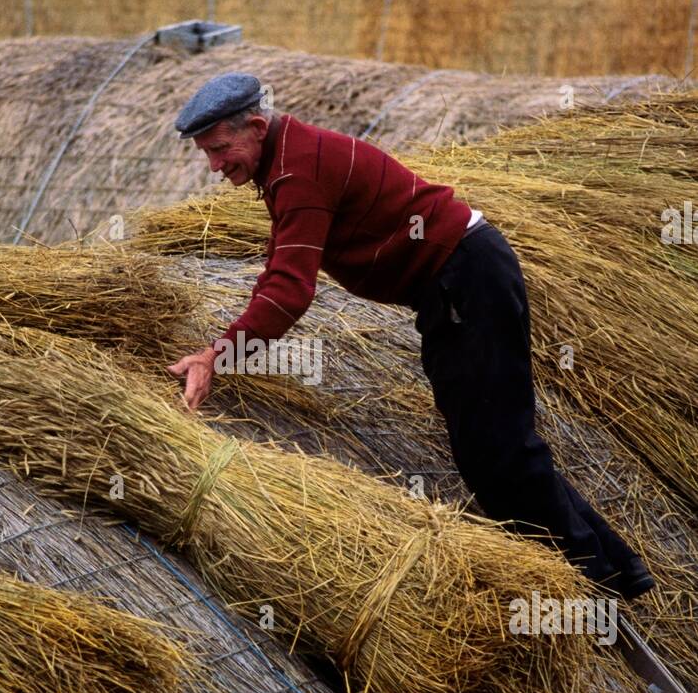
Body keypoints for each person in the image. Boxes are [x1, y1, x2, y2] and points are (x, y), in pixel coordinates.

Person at [168, 71, 654, 602]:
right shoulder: (291, 157)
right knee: (496, 447)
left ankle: (588, 582)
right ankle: (616, 570)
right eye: (206, 154)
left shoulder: (297, 172)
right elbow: (283, 263)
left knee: (496, 453)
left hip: (464, 282)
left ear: (257, 126)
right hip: (457, 283)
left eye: (219, 149)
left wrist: (219, 356)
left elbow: (290, 291)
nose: (215, 166)